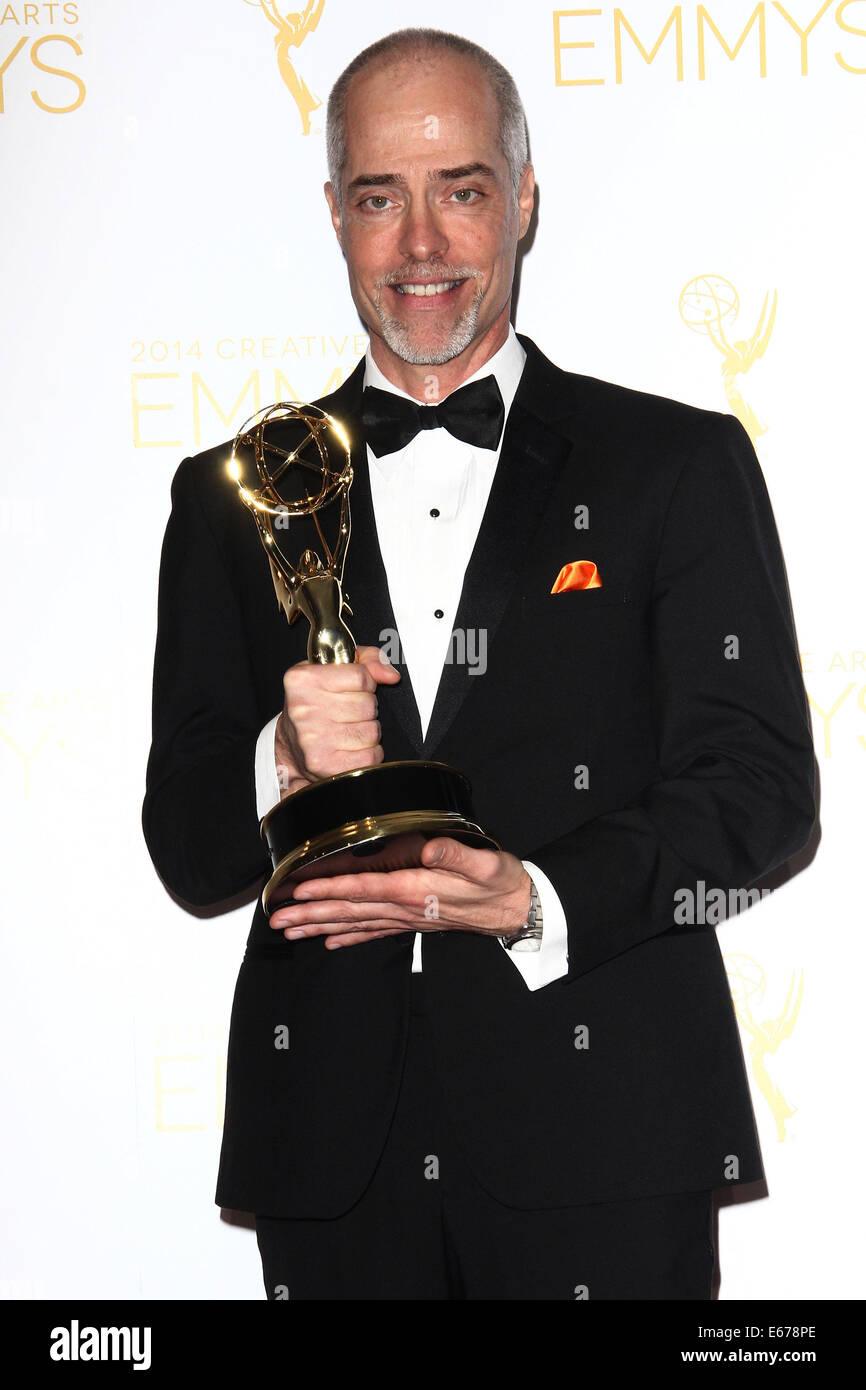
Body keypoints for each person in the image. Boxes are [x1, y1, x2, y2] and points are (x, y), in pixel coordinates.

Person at [142, 27, 816, 1300]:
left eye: (460, 190)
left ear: (522, 201)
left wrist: (533, 898)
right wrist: (278, 764)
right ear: (335, 215)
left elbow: (762, 793)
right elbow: (185, 843)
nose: (422, 246)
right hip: (330, 1154)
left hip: (609, 1125)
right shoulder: (233, 495)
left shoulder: (674, 467)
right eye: (379, 198)